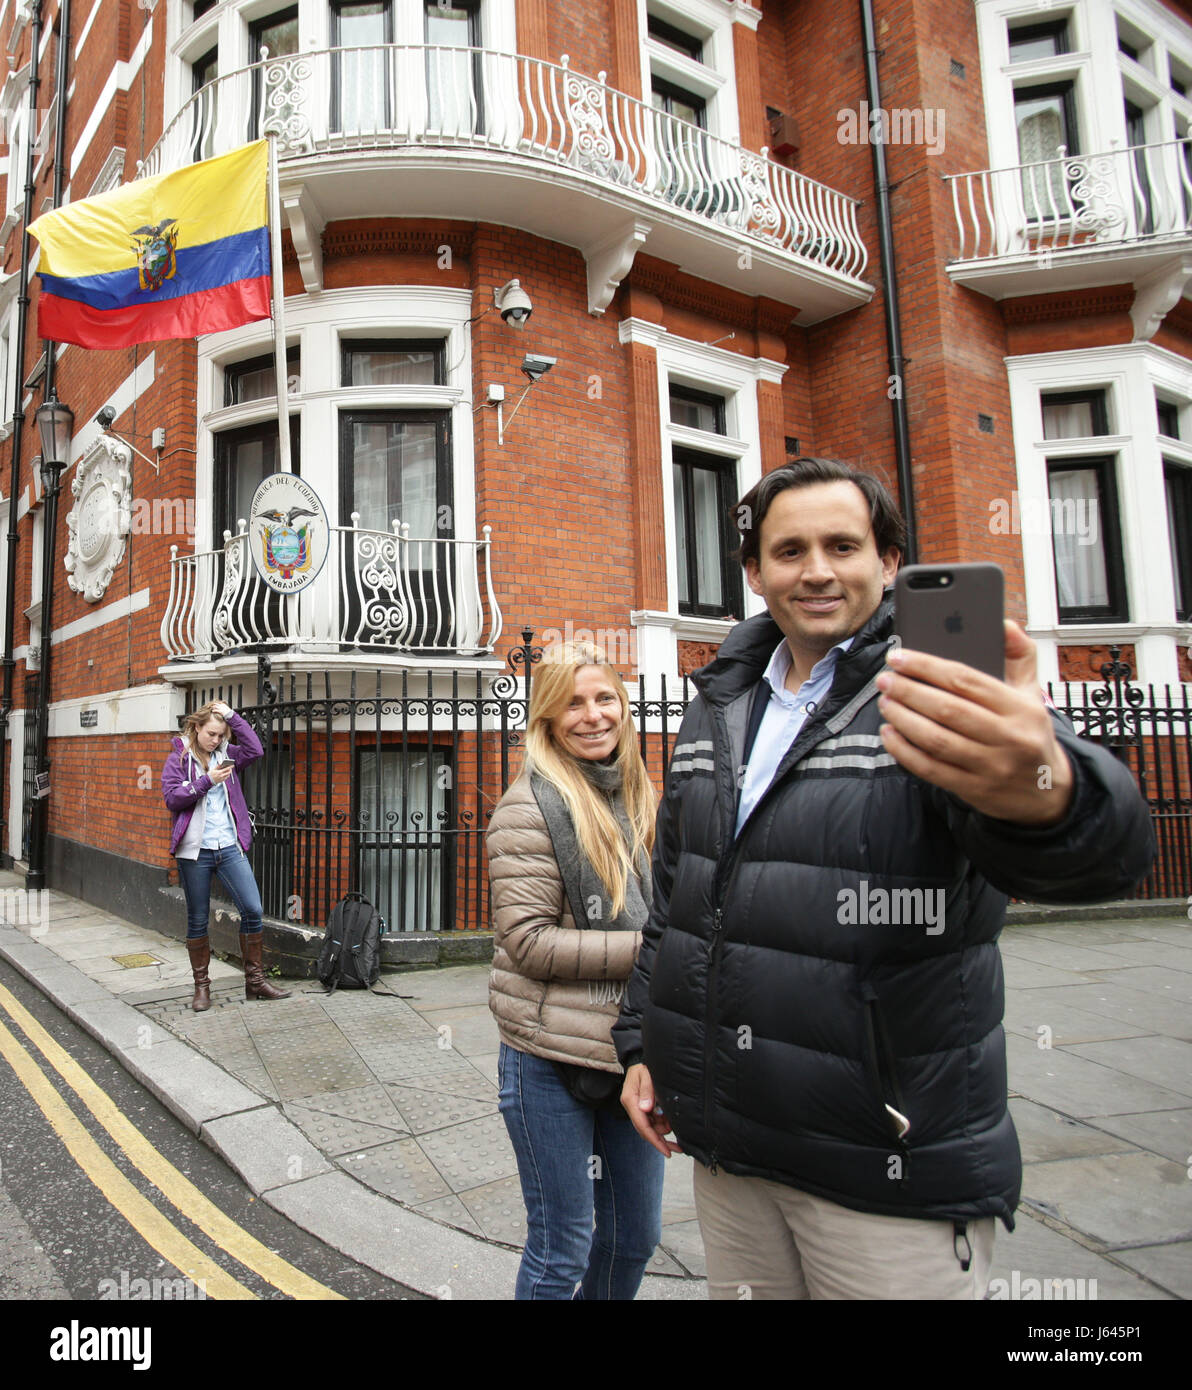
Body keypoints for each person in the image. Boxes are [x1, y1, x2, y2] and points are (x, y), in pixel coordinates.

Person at [614, 457, 1155, 1300]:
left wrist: (1046, 791)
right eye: (789, 551)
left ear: (890, 562)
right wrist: (644, 1044)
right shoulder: (716, 703)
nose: (818, 570)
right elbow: (676, 902)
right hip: (731, 1155)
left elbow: (1094, 853)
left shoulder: (934, 692)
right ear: (756, 573)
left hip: (887, 1168)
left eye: (844, 545)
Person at [487, 640, 665, 1299]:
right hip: (548, 1058)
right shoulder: (528, 809)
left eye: (604, 698)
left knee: (634, 1238)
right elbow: (529, 944)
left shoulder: (636, 798)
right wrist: (653, 947)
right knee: (563, 1247)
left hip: (632, 1050)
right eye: (572, 703)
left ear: (623, 706)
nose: (592, 716)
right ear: (548, 720)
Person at [162, 700, 290, 1011]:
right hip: (195, 853)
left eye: (221, 734)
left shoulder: (229, 755)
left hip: (229, 847)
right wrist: (207, 781)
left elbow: (256, 749)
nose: (217, 740)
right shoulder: (179, 758)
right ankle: (202, 988)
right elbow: (172, 799)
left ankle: (255, 981)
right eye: (212, 734)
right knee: (197, 919)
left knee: (252, 908)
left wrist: (233, 715)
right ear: (197, 728)